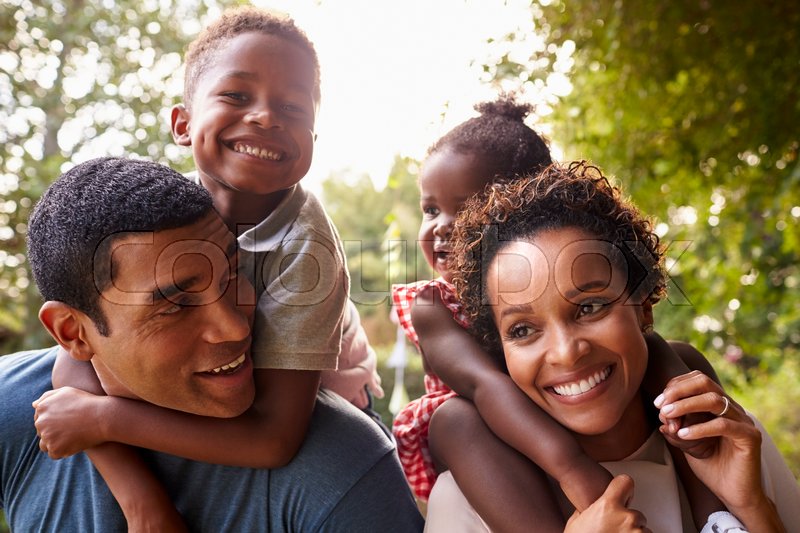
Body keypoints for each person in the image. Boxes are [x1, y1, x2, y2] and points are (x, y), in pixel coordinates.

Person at [32, 7, 389, 528]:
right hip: (220, 373)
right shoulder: (167, 209)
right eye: (237, 96)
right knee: (69, 373)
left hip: (320, 392)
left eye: (294, 107)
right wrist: (141, 498)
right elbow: (73, 369)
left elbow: (275, 439)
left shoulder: (308, 251)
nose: (267, 117)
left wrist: (107, 417)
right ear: (182, 125)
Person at [0, 157, 423, 532]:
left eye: (232, 276)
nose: (235, 329)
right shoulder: (13, 408)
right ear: (73, 333)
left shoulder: (345, 473)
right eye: (176, 304)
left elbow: (275, 440)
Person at [391, 96, 727, 531]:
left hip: (559, 395)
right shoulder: (432, 304)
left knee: (680, 358)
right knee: (453, 419)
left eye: (466, 209)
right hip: (492, 433)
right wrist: (574, 470)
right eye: (431, 209)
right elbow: (486, 384)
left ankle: (719, 518)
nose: (442, 226)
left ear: (523, 209)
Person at [428, 160, 800, 531]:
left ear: (644, 310)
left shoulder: (736, 444)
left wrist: (753, 508)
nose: (566, 352)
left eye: (589, 307)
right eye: (523, 330)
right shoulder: (469, 503)